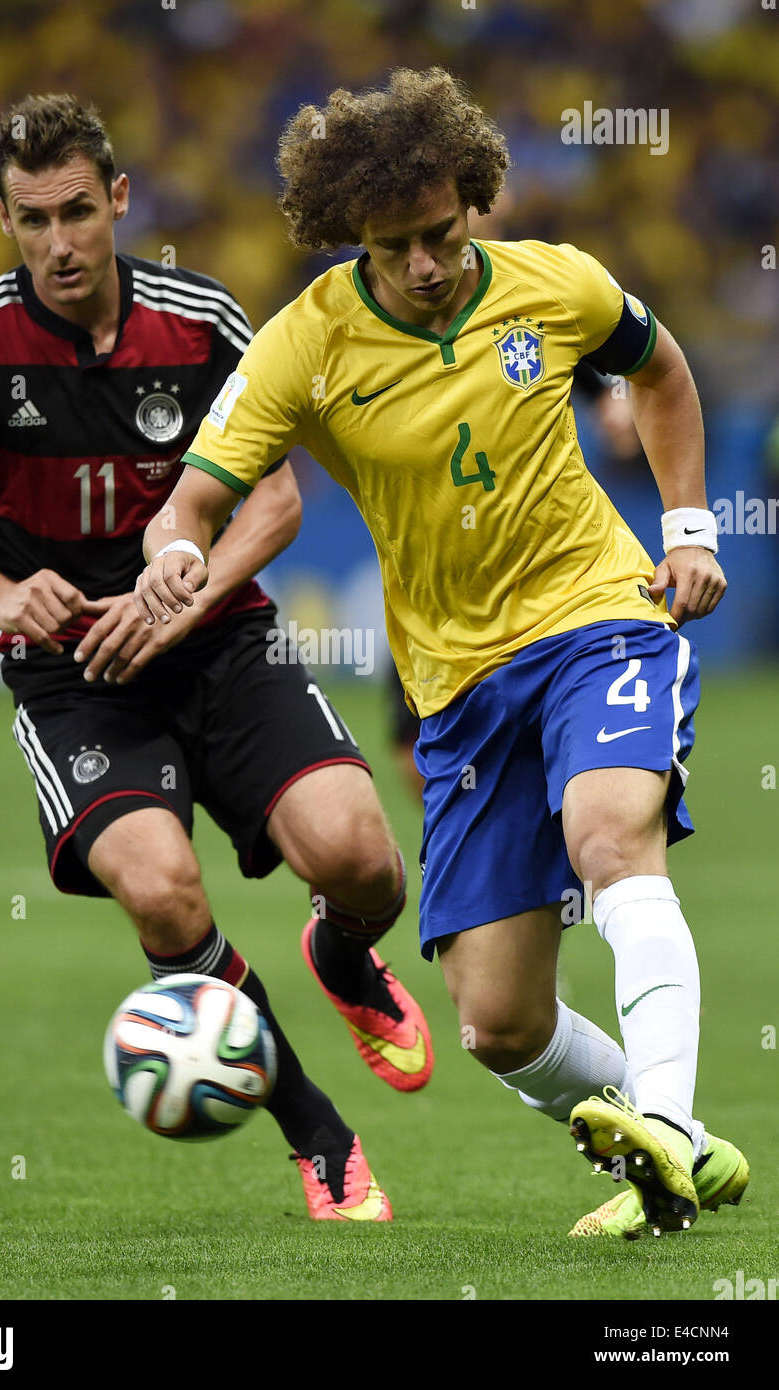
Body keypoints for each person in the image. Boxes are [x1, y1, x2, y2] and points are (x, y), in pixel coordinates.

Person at [134, 67, 749, 1239]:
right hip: (457, 688)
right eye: (390, 247)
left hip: (596, 617)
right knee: (497, 1025)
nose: (423, 264)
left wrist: (685, 527)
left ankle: (659, 1127)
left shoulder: (554, 283)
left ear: (471, 195)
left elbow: (658, 369)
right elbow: (194, 497)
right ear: (345, 239)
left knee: (607, 834)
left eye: (439, 232)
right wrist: (175, 550)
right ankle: (677, 1142)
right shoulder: (303, 344)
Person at [0, 93, 434, 1224]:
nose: (58, 243)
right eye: (30, 220)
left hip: (218, 641)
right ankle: (318, 1137)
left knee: (364, 860)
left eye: (78, 211)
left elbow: (275, 498)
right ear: (3, 218)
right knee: (161, 891)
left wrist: (185, 602)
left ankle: (339, 951)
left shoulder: (200, 325)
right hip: (74, 678)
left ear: (119, 200)